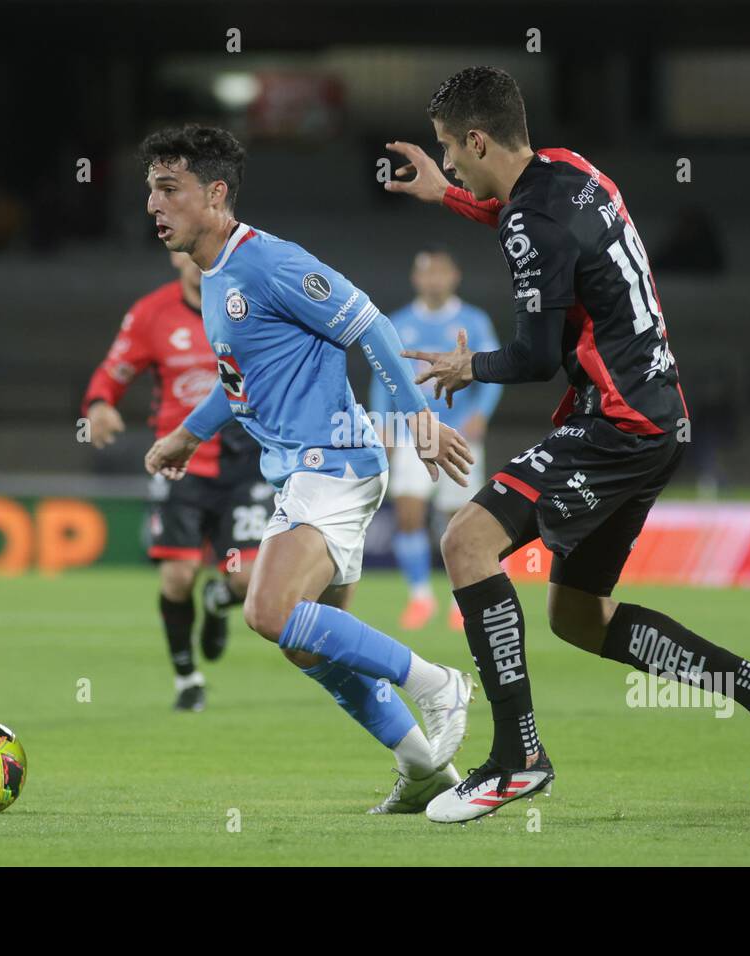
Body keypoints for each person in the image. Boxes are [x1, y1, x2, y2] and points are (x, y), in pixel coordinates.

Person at [385, 66, 750, 823]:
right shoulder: (570, 171)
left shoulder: (530, 221)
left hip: (616, 424)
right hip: (658, 416)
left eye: (450, 150)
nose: (448, 162)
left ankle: (517, 759)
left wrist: (467, 366)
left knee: (466, 543)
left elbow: (532, 355)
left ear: (479, 138)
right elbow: (539, 230)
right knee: (578, 617)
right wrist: (445, 194)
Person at [140, 124, 478, 813]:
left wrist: (416, 418)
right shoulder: (213, 279)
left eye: (168, 188)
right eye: (150, 188)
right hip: (306, 469)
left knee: (269, 611)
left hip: (334, 463)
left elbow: (371, 325)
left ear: (215, 194)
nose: (154, 203)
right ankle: (422, 770)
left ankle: (439, 683)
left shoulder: (267, 262)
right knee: (309, 646)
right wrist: (186, 434)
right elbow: (240, 382)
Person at [82, 253, 267, 712]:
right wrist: (101, 405)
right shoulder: (150, 313)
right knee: (178, 576)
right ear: (173, 254)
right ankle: (188, 679)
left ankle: (219, 597)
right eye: (187, 252)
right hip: (179, 465)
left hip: (245, 465)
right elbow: (114, 370)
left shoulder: (250, 304)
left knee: (247, 582)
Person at [371, 246, 502, 632]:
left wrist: (481, 412)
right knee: (408, 513)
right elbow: (385, 377)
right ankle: (419, 597)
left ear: (453, 276)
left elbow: (492, 371)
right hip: (416, 430)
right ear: (416, 278)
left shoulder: (473, 321)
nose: (433, 281)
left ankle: (458, 602)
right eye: (426, 274)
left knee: (456, 521)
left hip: (459, 430)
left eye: (439, 273)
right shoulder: (397, 322)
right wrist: (384, 424)